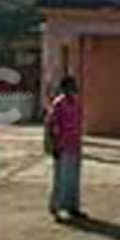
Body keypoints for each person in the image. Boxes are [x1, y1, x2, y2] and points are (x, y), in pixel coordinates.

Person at [44, 75, 85, 222]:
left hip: (75, 145)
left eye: (74, 86)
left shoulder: (76, 104)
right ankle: (55, 208)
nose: (73, 89)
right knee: (60, 179)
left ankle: (72, 207)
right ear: (64, 88)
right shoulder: (59, 104)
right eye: (70, 86)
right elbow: (51, 126)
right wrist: (53, 146)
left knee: (74, 179)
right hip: (62, 146)